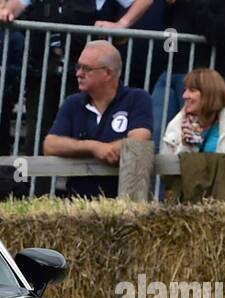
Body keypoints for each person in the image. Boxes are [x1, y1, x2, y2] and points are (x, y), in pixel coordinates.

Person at [43, 40, 154, 197]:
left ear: (108, 73)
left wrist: (108, 149)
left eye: (86, 69)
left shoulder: (137, 98)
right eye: (78, 67)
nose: (78, 74)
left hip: (125, 202)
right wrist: (93, 147)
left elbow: (139, 141)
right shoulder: (72, 103)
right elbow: (50, 145)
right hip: (77, 205)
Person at [152, 0, 225, 131]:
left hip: (203, 81)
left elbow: (219, 34)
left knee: (192, 136)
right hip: (169, 72)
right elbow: (169, 27)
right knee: (156, 136)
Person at [162, 68, 225, 154]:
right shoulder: (176, 125)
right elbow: (167, 169)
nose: (184, 96)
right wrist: (186, 147)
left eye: (192, 90)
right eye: (185, 90)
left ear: (209, 95)